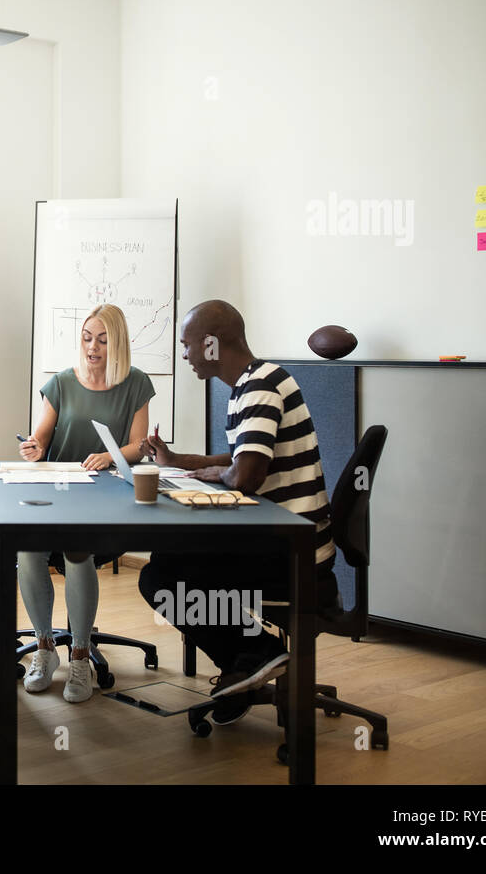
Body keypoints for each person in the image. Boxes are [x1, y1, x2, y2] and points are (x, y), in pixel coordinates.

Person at [137, 299, 338, 726]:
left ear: (211, 344)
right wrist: (176, 461)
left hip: (293, 555)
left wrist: (216, 472)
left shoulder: (260, 387)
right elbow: (238, 458)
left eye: (188, 344)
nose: (186, 354)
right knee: (172, 565)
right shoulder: (253, 383)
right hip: (289, 542)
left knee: (162, 576)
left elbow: (244, 476)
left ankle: (255, 655)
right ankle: (245, 666)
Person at [17, 303, 153, 702]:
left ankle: (79, 656)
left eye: (103, 340)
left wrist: (110, 456)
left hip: (106, 496)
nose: (93, 347)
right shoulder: (60, 383)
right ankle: (45, 649)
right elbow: (41, 435)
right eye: (87, 338)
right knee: (27, 551)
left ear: (118, 344)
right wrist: (34, 446)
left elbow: (140, 446)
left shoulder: (136, 384)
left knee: (78, 553)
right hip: (58, 492)